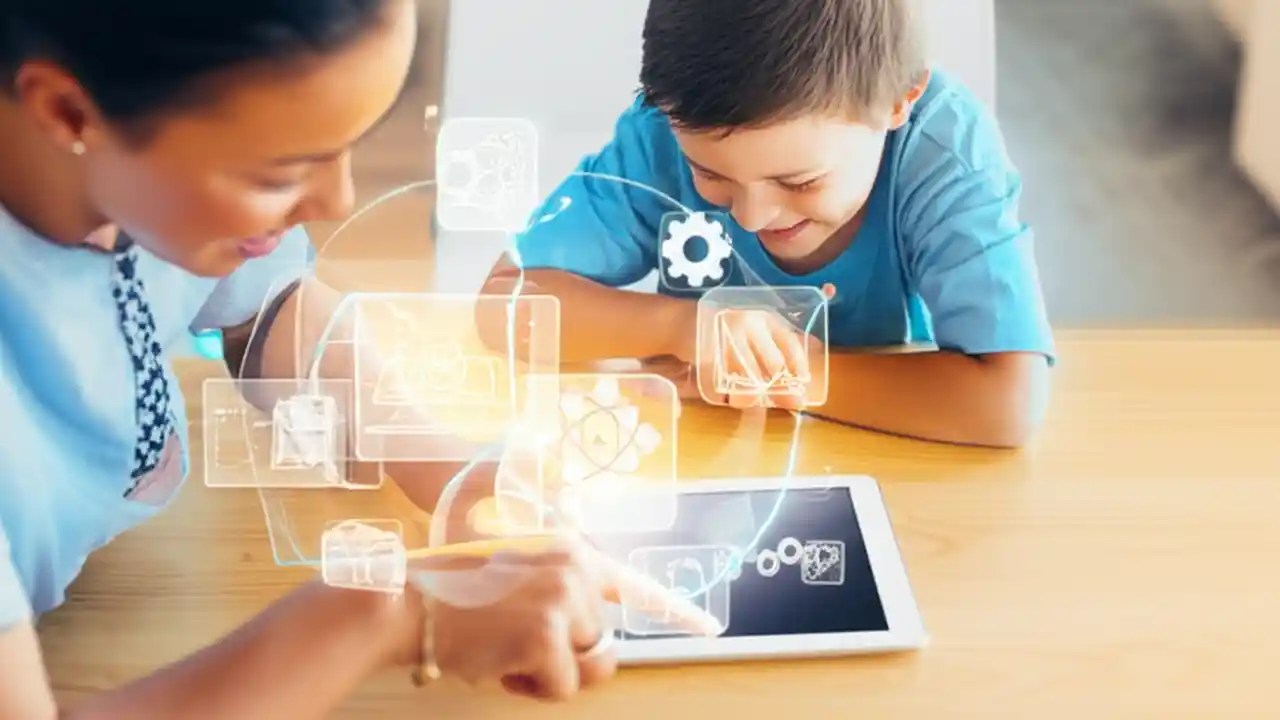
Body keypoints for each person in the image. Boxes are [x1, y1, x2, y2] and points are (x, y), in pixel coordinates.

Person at [0, 2, 713, 717]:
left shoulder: (133, 176)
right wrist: (393, 614)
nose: (336, 201)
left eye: (345, 145)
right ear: (65, 112)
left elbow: (267, 313)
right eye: (281, 172)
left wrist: (450, 470)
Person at [481, 0, 1056, 448]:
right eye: (708, 174)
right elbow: (501, 305)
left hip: (896, 462)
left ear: (899, 101)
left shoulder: (945, 153)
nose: (751, 216)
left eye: (800, 182)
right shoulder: (661, 136)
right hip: (706, 459)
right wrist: (685, 327)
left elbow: (1007, 403)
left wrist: (787, 374)